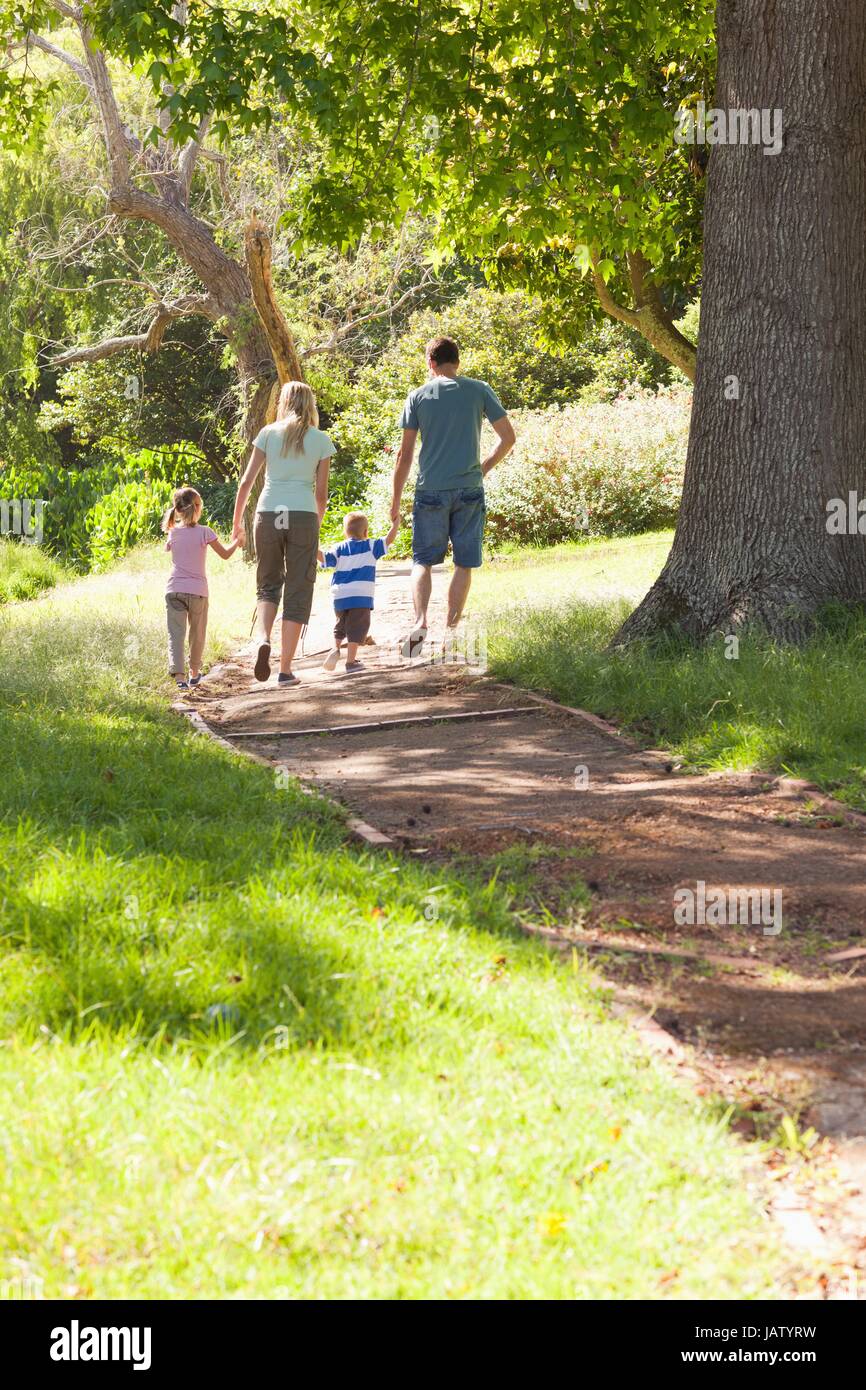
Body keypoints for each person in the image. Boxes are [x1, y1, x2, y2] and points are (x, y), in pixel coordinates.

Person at [390, 335, 515, 657]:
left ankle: (420, 624)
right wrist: (483, 467)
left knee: (423, 561)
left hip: (430, 489)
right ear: (457, 361)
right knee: (463, 563)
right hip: (469, 489)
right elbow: (508, 438)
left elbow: (404, 456)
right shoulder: (478, 389)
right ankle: (451, 631)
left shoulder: (417, 397)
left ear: (431, 362)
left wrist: (394, 502)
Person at [232, 381, 335, 687]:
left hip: (268, 513)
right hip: (303, 513)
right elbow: (322, 494)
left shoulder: (268, 433)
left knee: (268, 583)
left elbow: (246, 482)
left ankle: (263, 638)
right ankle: (285, 669)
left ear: (283, 402)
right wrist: (315, 525)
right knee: (298, 588)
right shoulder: (321, 440)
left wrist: (237, 523)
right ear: (311, 405)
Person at [162, 486, 241, 691]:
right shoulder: (205, 532)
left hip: (174, 590)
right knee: (197, 634)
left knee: (176, 635)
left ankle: (179, 677)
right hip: (198, 591)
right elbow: (225, 554)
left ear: (177, 509)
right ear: (197, 507)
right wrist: (237, 541)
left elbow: (169, 548)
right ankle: (194, 673)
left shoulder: (172, 532)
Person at [319, 511, 399, 673]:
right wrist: (395, 524)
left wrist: (311, 542)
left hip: (340, 596)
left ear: (345, 532)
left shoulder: (338, 548)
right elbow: (388, 540)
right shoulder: (371, 546)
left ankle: (335, 648)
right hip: (361, 596)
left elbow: (323, 558)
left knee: (341, 624)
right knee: (357, 627)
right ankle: (350, 662)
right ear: (365, 532)